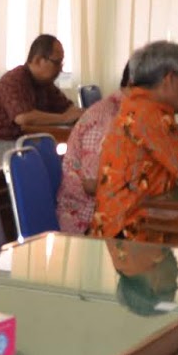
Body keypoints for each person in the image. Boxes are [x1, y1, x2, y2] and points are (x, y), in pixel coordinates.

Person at [89, 42, 178, 240]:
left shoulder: (141, 106)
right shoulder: (149, 114)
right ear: (170, 78)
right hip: (129, 235)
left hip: (134, 224)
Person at [56, 66, 131, 234]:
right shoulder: (105, 120)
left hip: (115, 215)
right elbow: (93, 185)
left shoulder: (139, 115)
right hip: (88, 224)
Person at [0, 34, 82, 141]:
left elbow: (68, 109)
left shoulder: (45, 83)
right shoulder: (14, 79)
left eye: (62, 63)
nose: (61, 69)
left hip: (24, 144)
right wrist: (63, 118)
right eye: (56, 63)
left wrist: (85, 115)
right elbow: (23, 117)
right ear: (37, 60)